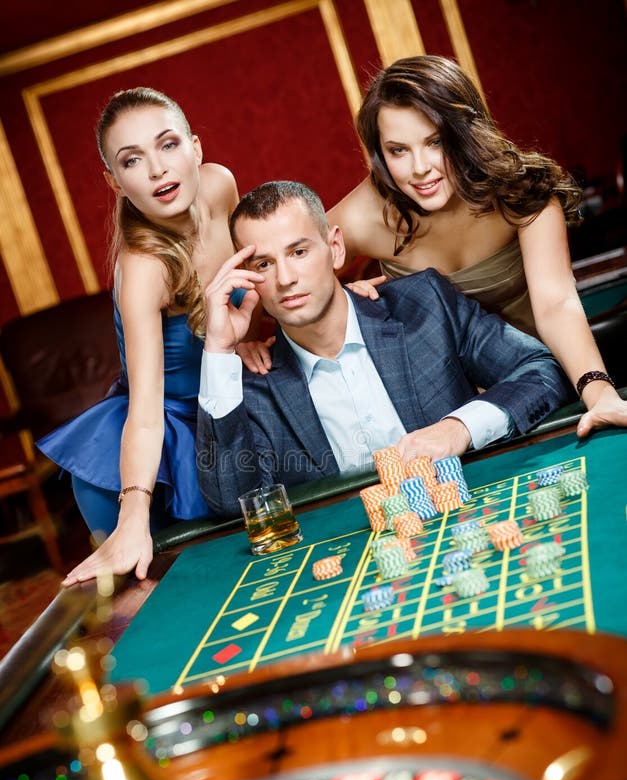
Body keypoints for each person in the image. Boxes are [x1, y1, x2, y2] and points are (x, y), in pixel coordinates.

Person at [195, 180, 570, 518]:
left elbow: (541, 369)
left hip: (472, 517)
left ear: (335, 248)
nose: (286, 278)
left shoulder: (425, 307)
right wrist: (218, 349)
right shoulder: (251, 384)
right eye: (264, 263)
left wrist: (458, 429)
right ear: (250, 279)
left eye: (299, 252)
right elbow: (233, 503)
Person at [326, 55, 627, 438]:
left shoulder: (521, 192)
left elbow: (556, 304)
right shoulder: (361, 216)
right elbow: (280, 271)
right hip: (445, 418)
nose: (419, 168)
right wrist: (327, 305)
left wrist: (598, 392)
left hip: (547, 388)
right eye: (398, 150)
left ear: (464, 132)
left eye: (435, 142)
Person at [37, 87, 257, 585]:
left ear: (196, 148)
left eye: (168, 145)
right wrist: (132, 517)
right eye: (132, 160)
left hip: (231, 405)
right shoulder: (142, 269)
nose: (158, 170)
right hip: (159, 453)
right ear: (114, 182)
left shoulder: (220, 186)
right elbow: (144, 411)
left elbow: (254, 277)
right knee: (165, 610)